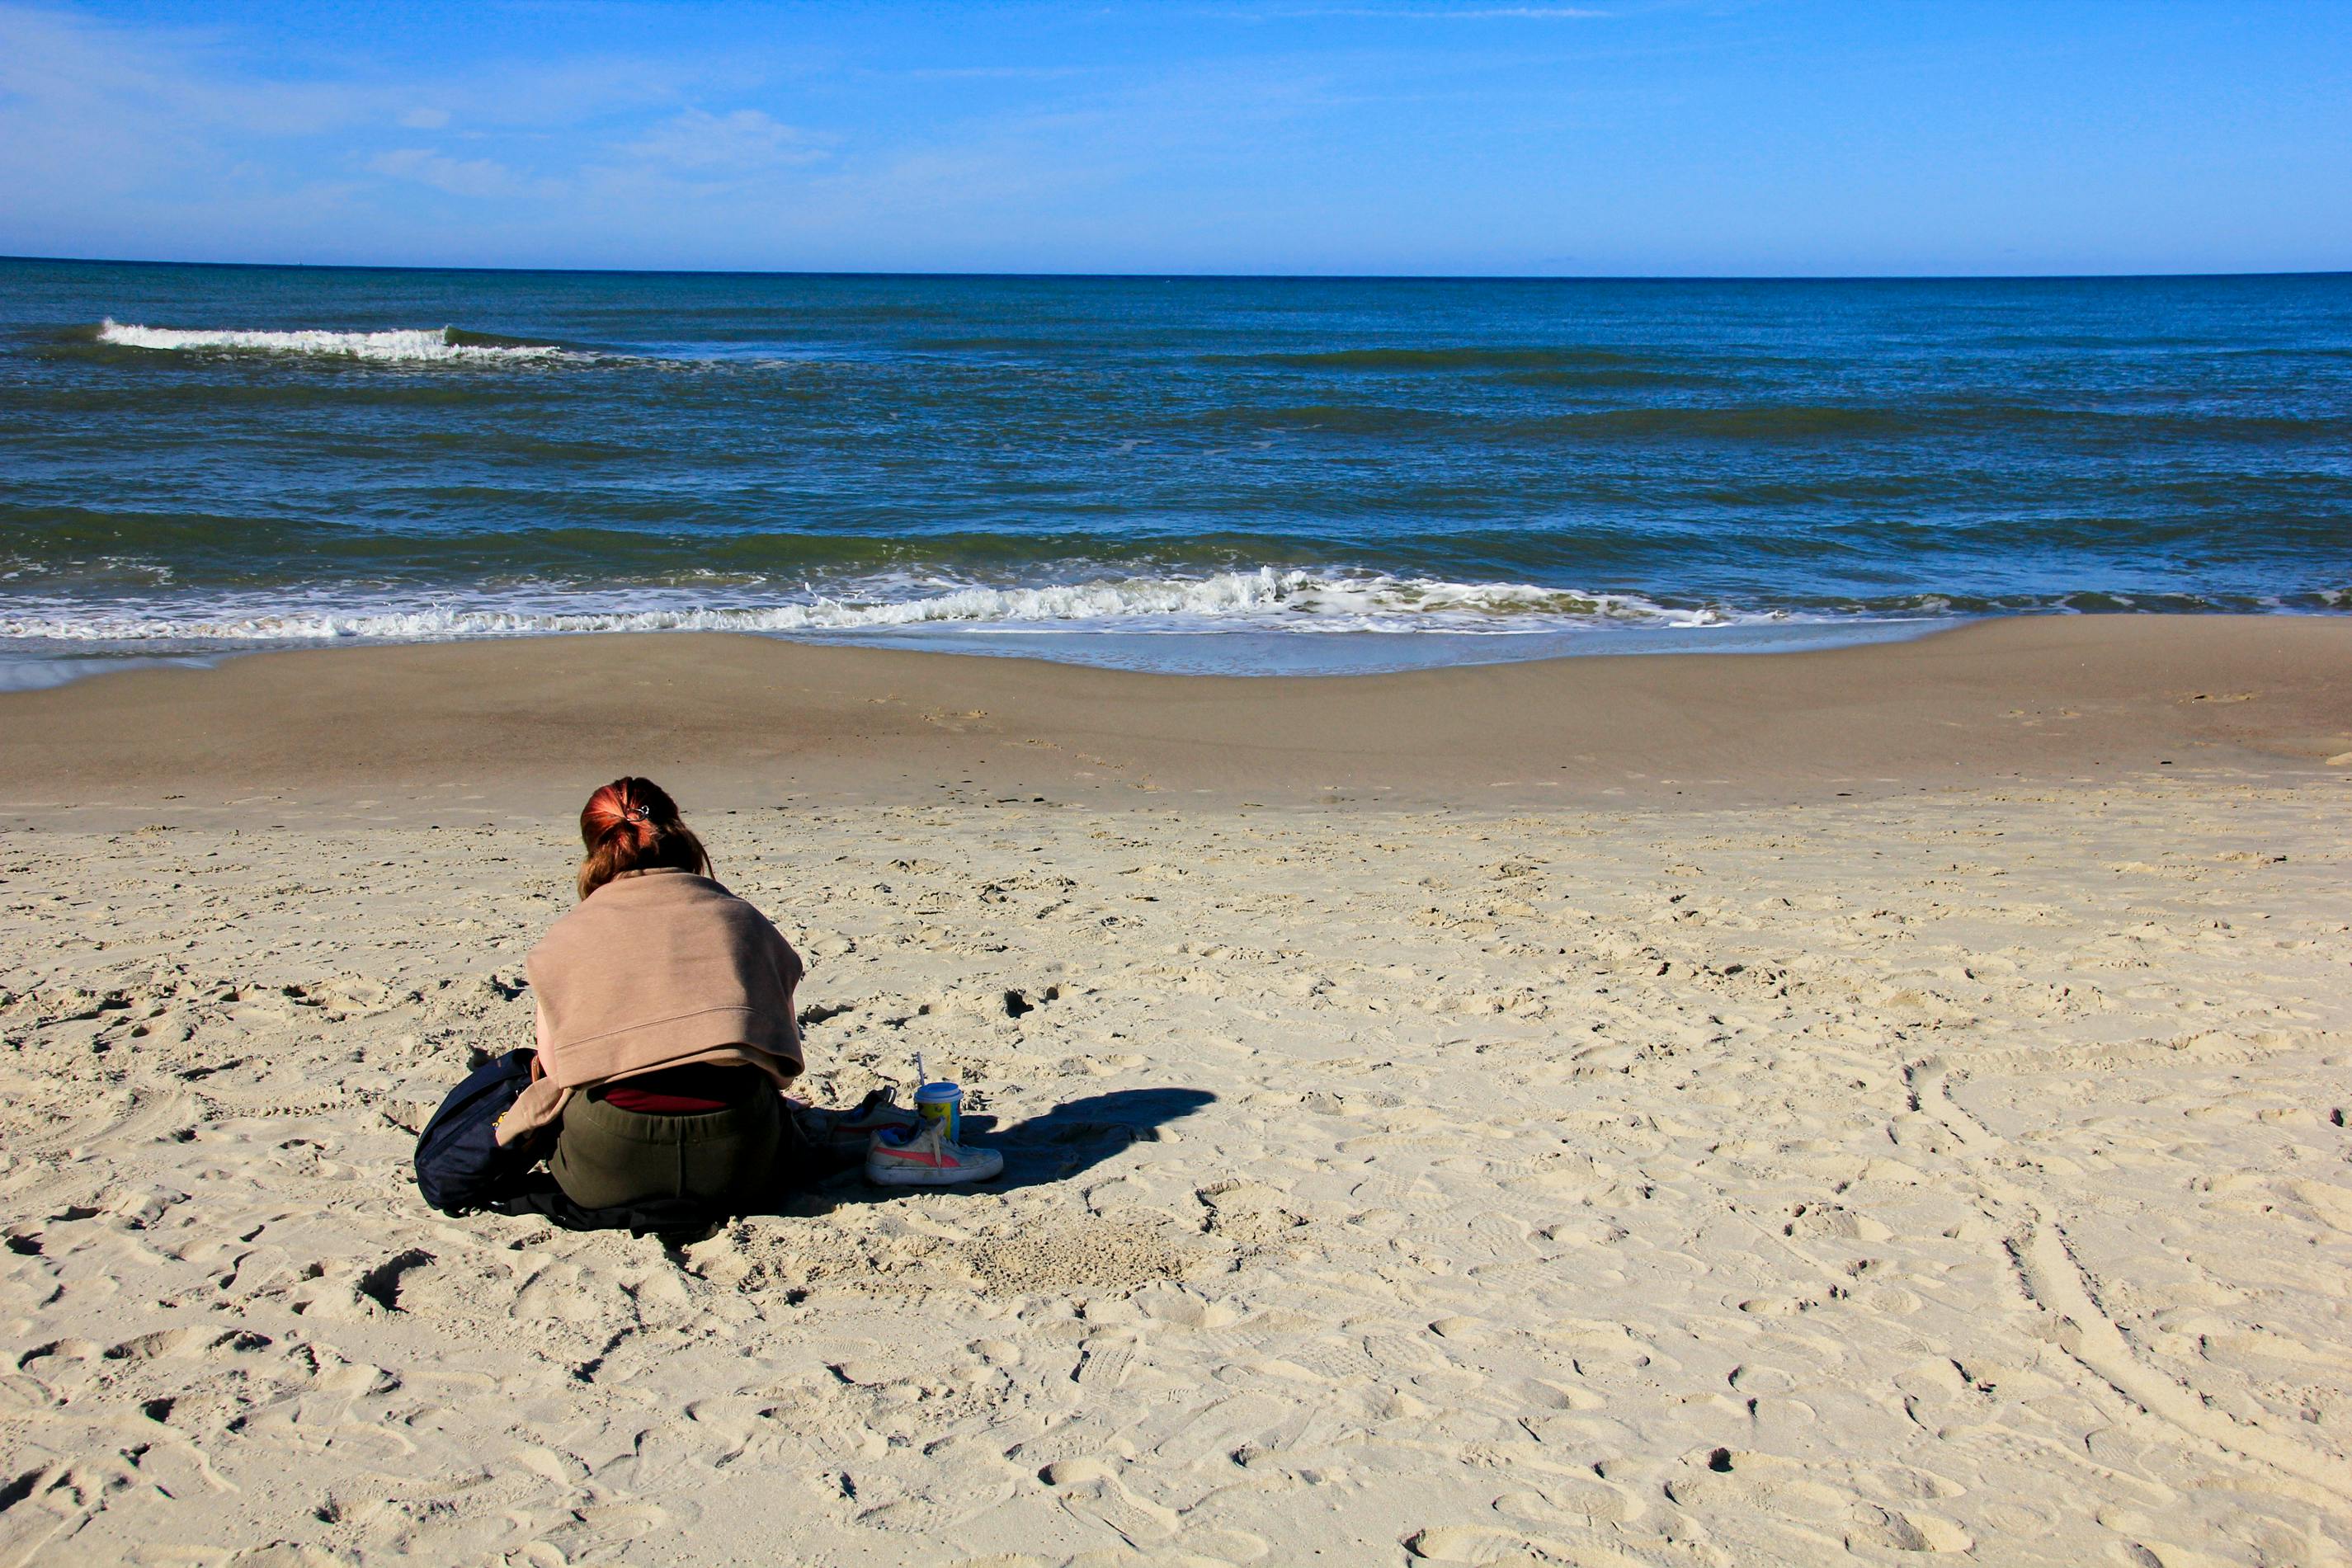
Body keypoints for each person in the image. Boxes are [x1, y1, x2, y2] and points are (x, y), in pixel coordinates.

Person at [495, 777, 997, 1213]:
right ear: (678, 834)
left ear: (596, 848)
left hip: (608, 1172)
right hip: (741, 1166)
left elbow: (556, 1070)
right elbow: (780, 1066)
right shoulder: (740, 920)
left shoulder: (563, 940)